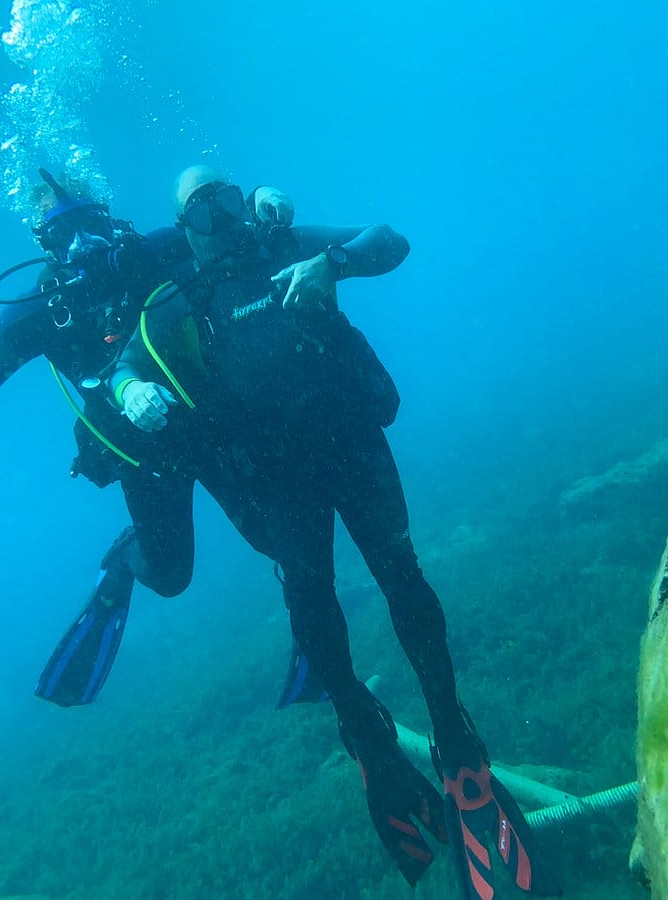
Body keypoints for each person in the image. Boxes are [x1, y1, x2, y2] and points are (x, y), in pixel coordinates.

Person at [113, 165, 560, 898]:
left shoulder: (287, 244)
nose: (222, 215)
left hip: (352, 446)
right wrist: (133, 389)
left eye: (228, 197)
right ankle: (363, 729)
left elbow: (391, 240)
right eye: (202, 207)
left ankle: (453, 734)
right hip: (277, 477)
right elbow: (123, 364)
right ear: (182, 226)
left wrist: (335, 262)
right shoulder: (176, 301)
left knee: (403, 578)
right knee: (311, 601)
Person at [0, 171, 295, 705]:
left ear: (108, 217)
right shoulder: (44, 309)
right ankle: (127, 558)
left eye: (90, 224)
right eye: (64, 234)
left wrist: (261, 198)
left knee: (278, 537)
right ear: (45, 243)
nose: (83, 243)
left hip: (211, 423)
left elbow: (222, 227)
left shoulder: (154, 252)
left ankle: (310, 613)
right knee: (170, 577)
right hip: (141, 456)